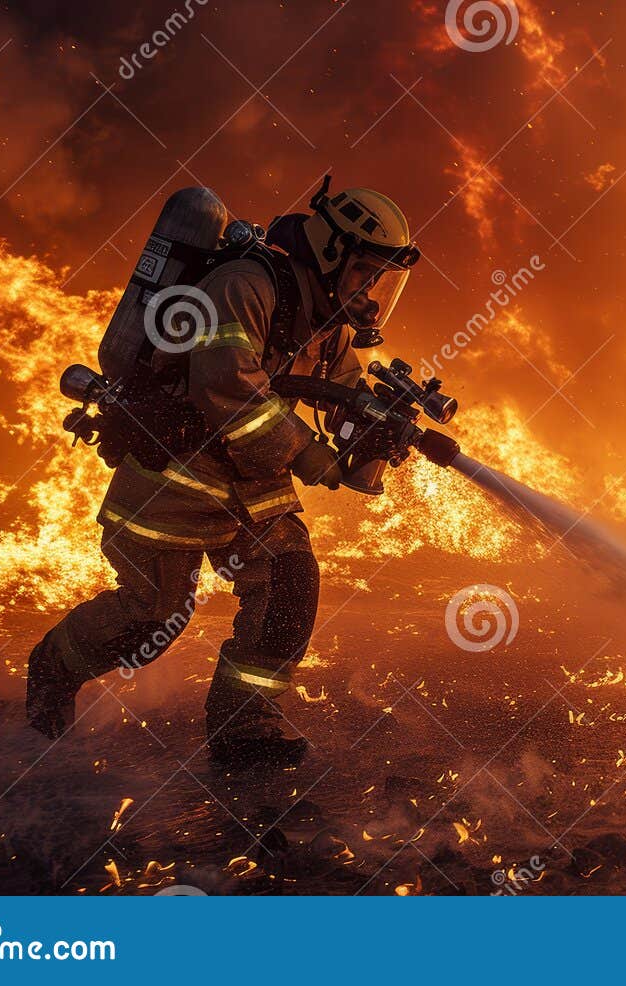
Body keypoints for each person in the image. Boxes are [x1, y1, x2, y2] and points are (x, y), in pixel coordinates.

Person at [25, 182, 421, 767]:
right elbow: (228, 387)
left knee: (289, 582)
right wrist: (309, 454)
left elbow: (337, 387)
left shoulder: (327, 320)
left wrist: (375, 423)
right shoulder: (245, 285)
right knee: (156, 616)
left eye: (383, 280)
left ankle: (244, 726)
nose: (371, 292)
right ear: (331, 251)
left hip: (250, 482)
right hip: (174, 472)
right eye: (365, 271)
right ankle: (54, 667)